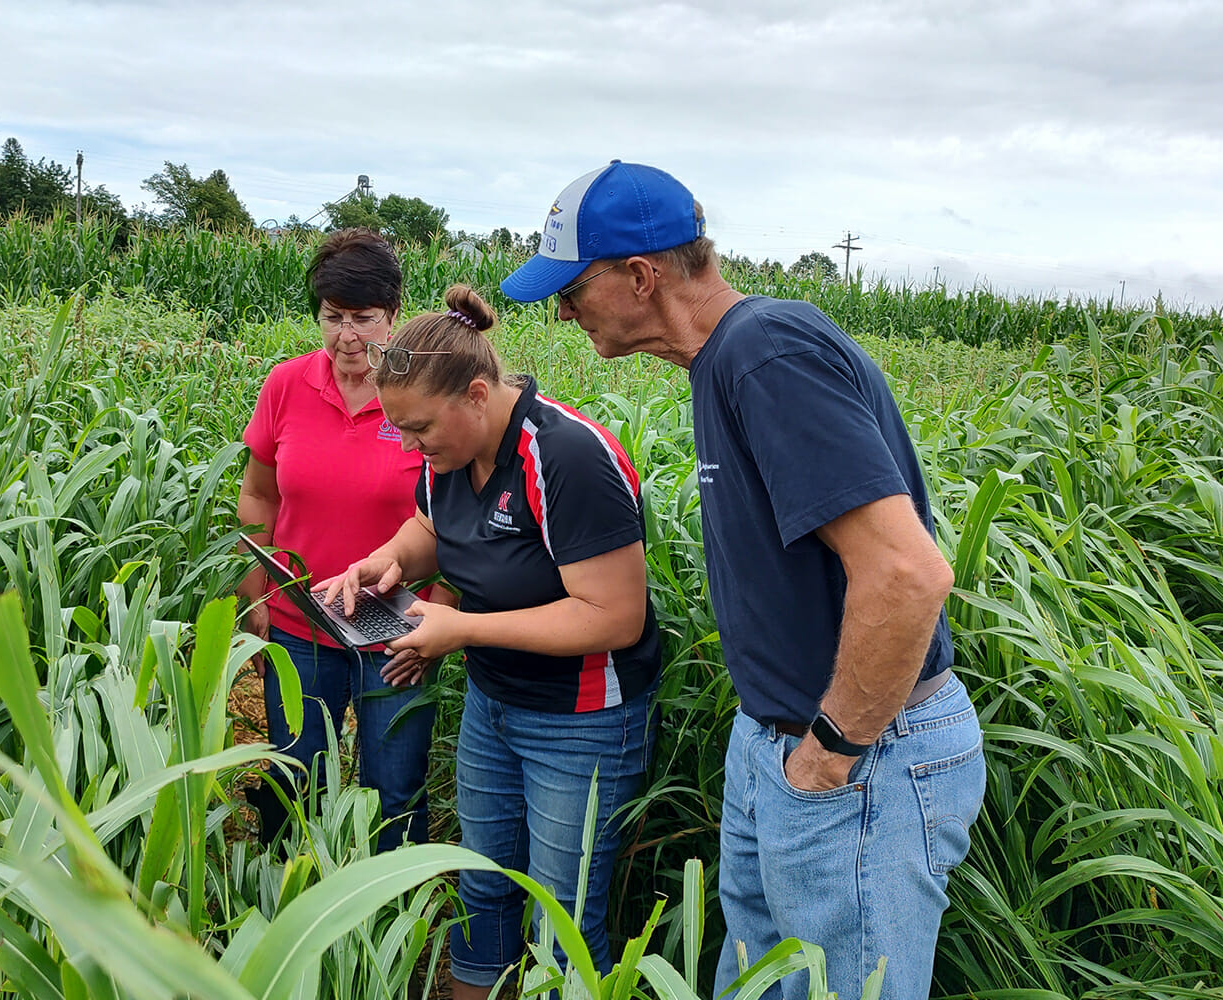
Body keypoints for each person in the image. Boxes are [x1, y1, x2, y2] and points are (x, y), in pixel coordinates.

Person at [500, 161, 986, 1000]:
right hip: (786, 741)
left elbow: (909, 575)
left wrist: (828, 755)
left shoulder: (765, 354)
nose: (563, 312)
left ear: (641, 277)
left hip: (860, 754)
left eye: (571, 290)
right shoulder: (723, 364)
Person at [321, 285, 660, 998]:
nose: (410, 446)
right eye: (402, 431)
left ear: (477, 395)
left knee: (561, 913)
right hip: (494, 706)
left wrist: (463, 629)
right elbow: (429, 529)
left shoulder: (564, 457)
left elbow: (613, 615)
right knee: (483, 881)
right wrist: (387, 559)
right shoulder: (445, 451)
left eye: (418, 430)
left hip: (582, 721)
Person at [235, 227, 438, 847]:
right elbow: (259, 494)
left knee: (394, 784)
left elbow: (453, 515)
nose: (347, 336)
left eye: (363, 318)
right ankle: (283, 894)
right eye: (332, 317)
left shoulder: (423, 390)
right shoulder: (288, 384)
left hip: (397, 625)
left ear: (393, 316)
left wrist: (441, 619)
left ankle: (388, 917)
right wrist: (255, 592)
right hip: (301, 618)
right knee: (296, 771)